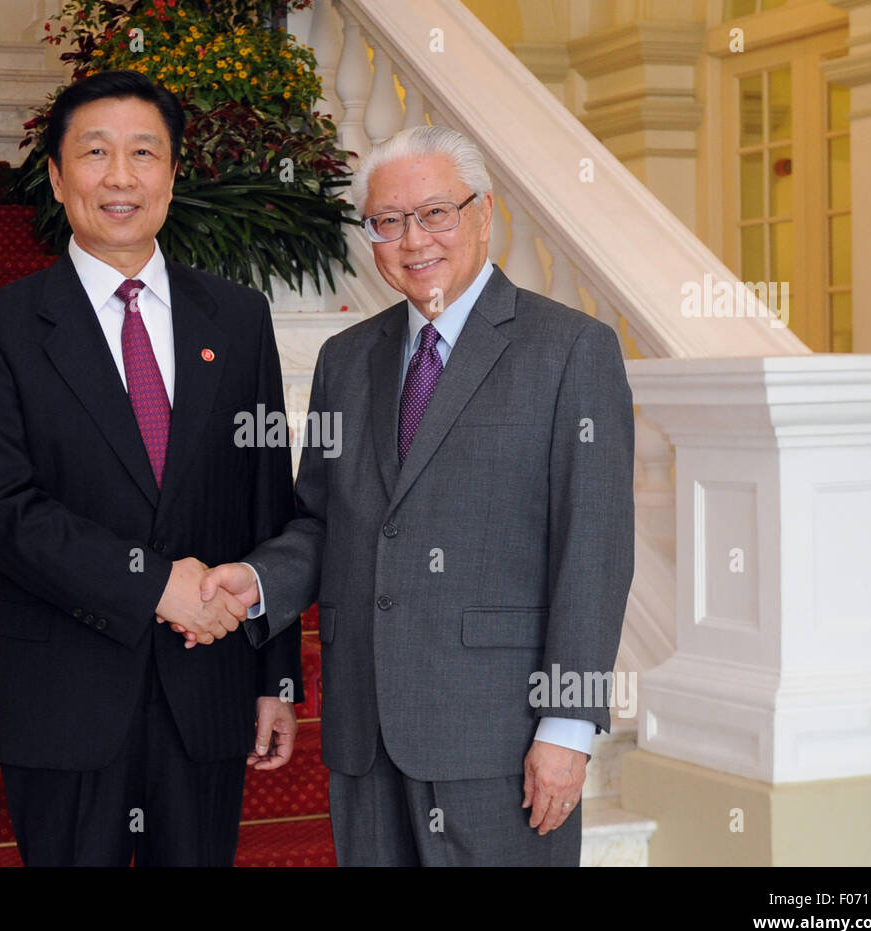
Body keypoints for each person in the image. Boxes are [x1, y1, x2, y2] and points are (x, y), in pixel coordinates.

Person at [194, 125, 635, 866]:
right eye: (387, 221)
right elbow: (320, 520)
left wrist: (567, 726)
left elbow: (595, 551)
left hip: (500, 739)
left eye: (436, 212)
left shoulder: (570, 350)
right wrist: (260, 580)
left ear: (485, 214)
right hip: (365, 734)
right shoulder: (345, 359)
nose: (413, 240)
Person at [0, 69, 301, 866]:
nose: (120, 176)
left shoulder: (238, 319)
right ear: (58, 176)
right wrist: (154, 584)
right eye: (96, 152)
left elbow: (266, 502)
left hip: (208, 690)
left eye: (144, 153)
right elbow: (1, 507)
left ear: (173, 174)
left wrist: (275, 674)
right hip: (64, 699)